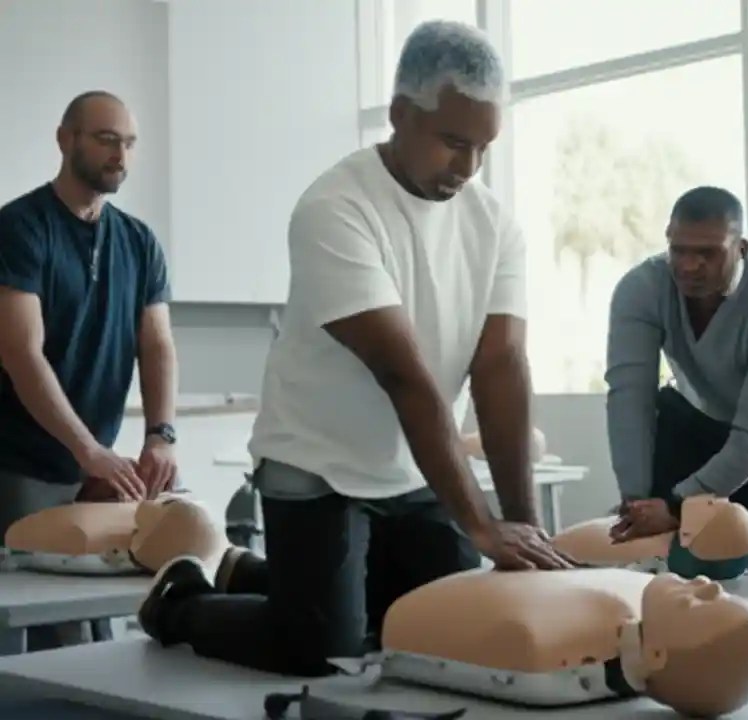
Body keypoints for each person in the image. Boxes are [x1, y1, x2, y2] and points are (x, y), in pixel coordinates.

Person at [135, 21, 573, 676]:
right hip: (317, 464)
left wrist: (524, 526)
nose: (469, 167)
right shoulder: (335, 207)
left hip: (415, 469)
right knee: (327, 651)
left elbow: (502, 367)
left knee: (433, 637)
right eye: (454, 142)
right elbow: (405, 374)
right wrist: (482, 529)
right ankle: (183, 599)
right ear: (400, 114)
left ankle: (256, 573)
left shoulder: (494, 225)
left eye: (483, 147)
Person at [0, 91, 177, 651]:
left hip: (92, 464)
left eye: (128, 143)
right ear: (65, 139)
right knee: (23, 618)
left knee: (85, 628)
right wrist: (85, 448)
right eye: (106, 139)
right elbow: (21, 353)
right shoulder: (20, 229)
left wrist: (160, 434)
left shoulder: (140, 241)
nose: (120, 154)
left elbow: (157, 345)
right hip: (19, 460)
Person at [605, 186, 748, 572]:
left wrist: (676, 505)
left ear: (741, 248)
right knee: (663, 549)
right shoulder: (641, 288)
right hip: (696, 413)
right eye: (679, 250)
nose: (688, 266)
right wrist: (637, 501)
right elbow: (629, 397)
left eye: (707, 253)